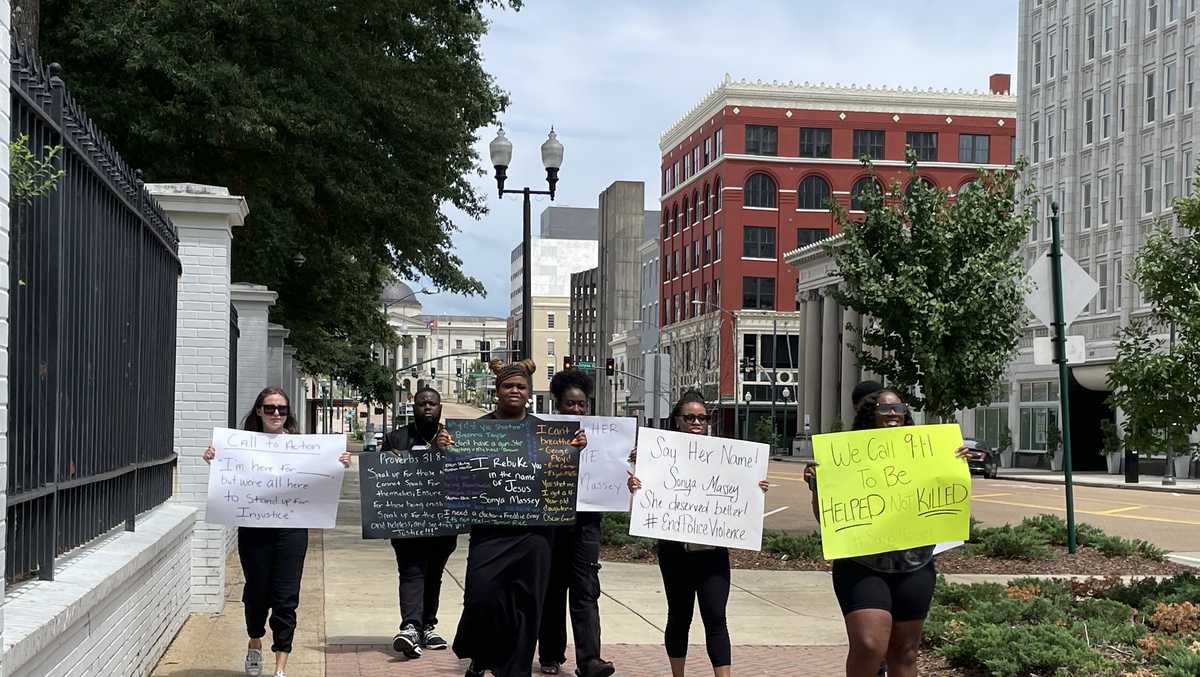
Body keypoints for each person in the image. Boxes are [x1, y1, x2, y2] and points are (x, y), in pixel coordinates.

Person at [803, 389, 970, 677]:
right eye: (884, 408)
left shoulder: (926, 454)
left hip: (915, 563)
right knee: (869, 645)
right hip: (862, 565)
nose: (892, 413)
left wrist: (957, 467)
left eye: (899, 408)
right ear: (871, 414)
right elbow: (825, 518)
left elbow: (948, 500)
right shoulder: (847, 458)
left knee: (905, 652)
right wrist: (820, 485)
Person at [447, 359, 588, 677]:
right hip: (490, 533)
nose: (514, 390)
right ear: (497, 391)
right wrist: (445, 449)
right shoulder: (475, 431)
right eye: (508, 385)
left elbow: (561, 476)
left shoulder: (547, 432)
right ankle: (481, 656)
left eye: (520, 387)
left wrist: (576, 448)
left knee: (526, 606)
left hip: (535, 536)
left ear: (528, 393)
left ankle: (515, 669)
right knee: (481, 598)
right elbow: (456, 477)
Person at [203, 387, 352, 677]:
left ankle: (280, 667)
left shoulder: (301, 447)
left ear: (288, 413)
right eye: (270, 408)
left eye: (282, 409)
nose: (276, 414)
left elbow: (321, 476)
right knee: (257, 592)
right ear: (259, 410)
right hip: (254, 529)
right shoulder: (240, 444)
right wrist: (214, 458)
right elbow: (228, 473)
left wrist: (340, 463)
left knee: (286, 597)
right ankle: (255, 639)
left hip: (292, 531)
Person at [626, 390, 770, 677]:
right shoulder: (658, 454)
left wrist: (755, 488)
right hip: (674, 550)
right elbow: (641, 499)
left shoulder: (727, 456)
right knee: (679, 617)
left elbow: (739, 492)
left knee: (716, 616)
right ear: (677, 420)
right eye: (689, 417)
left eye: (702, 417)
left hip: (712, 551)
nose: (696, 422)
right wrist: (637, 486)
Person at [537, 369, 616, 677]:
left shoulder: (601, 433)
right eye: (570, 404)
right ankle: (551, 654)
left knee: (586, 589)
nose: (577, 410)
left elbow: (611, 468)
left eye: (582, 404)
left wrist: (629, 456)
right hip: (552, 520)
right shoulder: (544, 431)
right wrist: (567, 449)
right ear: (557, 404)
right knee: (552, 589)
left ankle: (589, 660)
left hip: (586, 523)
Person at [382, 386, 457, 659]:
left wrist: (446, 452)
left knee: (434, 575)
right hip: (407, 521)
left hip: (442, 523)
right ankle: (410, 626)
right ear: (413, 407)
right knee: (412, 571)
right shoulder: (396, 439)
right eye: (422, 403)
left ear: (440, 408)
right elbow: (383, 480)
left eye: (433, 403)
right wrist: (388, 462)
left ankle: (428, 625)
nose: (428, 407)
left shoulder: (453, 438)